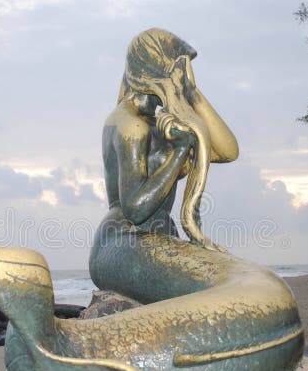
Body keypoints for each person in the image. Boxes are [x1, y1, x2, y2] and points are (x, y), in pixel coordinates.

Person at [89, 29, 238, 302]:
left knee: (227, 280)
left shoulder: (158, 125)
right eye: (179, 72)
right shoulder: (130, 124)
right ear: (156, 71)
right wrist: (179, 151)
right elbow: (135, 209)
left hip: (155, 237)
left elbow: (228, 151)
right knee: (216, 290)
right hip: (122, 240)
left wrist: (192, 94)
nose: (184, 78)